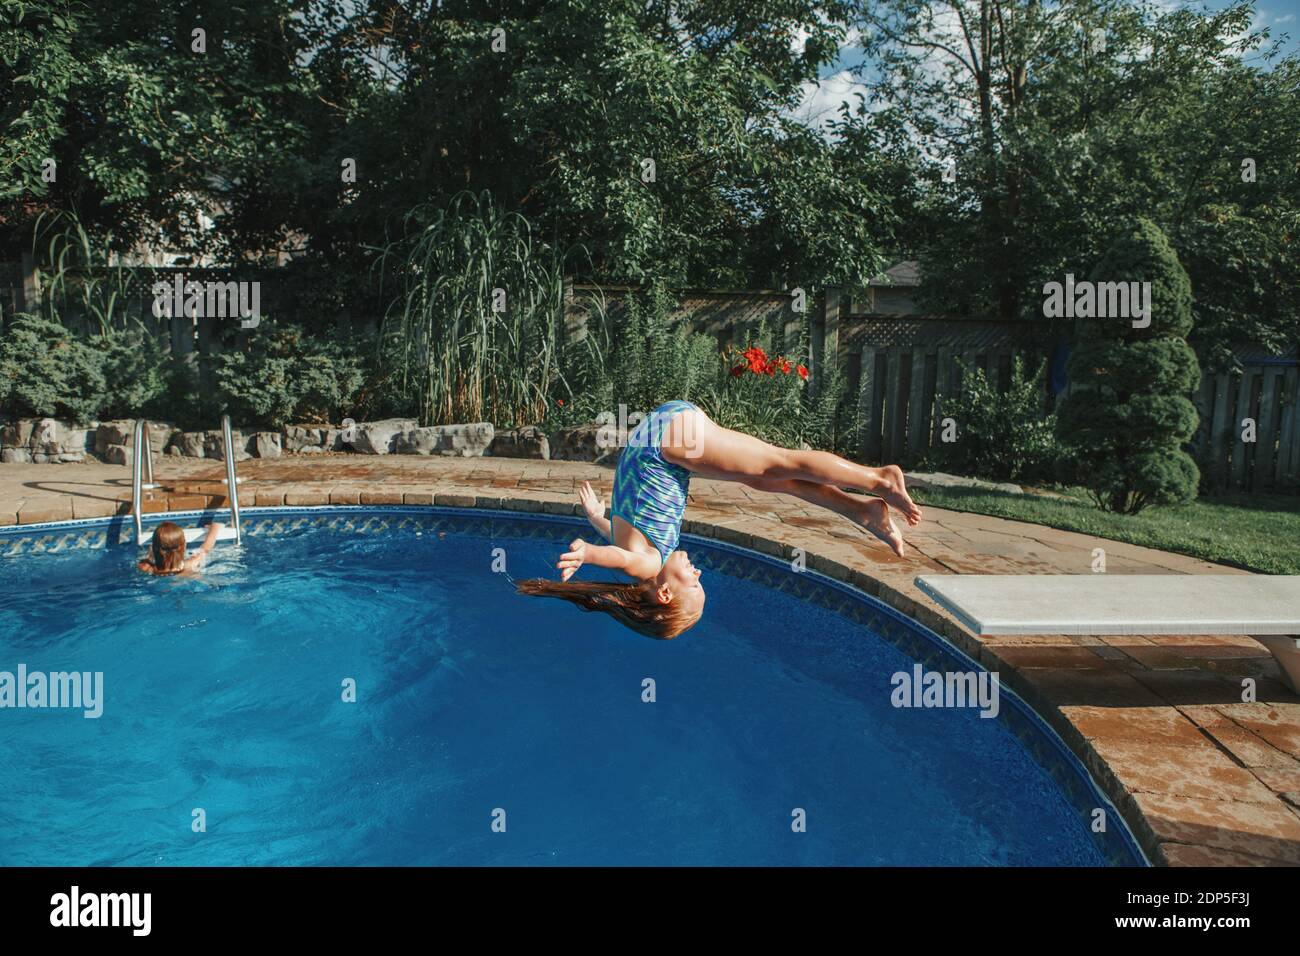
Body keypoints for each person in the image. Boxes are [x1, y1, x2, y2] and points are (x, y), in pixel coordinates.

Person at [516, 400, 921, 639]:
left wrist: (587, 552)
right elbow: (620, 545)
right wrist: (596, 519)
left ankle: (878, 479)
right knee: (771, 479)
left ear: (664, 594)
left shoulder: (648, 563)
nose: (699, 574)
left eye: (693, 583)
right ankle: (861, 510)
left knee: (778, 462)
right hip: (668, 437)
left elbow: (618, 558)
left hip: (669, 440)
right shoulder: (645, 553)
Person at [137, 521, 224, 576]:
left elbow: (147, 560)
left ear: (154, 548)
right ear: (184, 546)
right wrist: (214, 528)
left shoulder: (147, 568)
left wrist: (150, 556)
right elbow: (206, 547)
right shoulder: (189, 564)